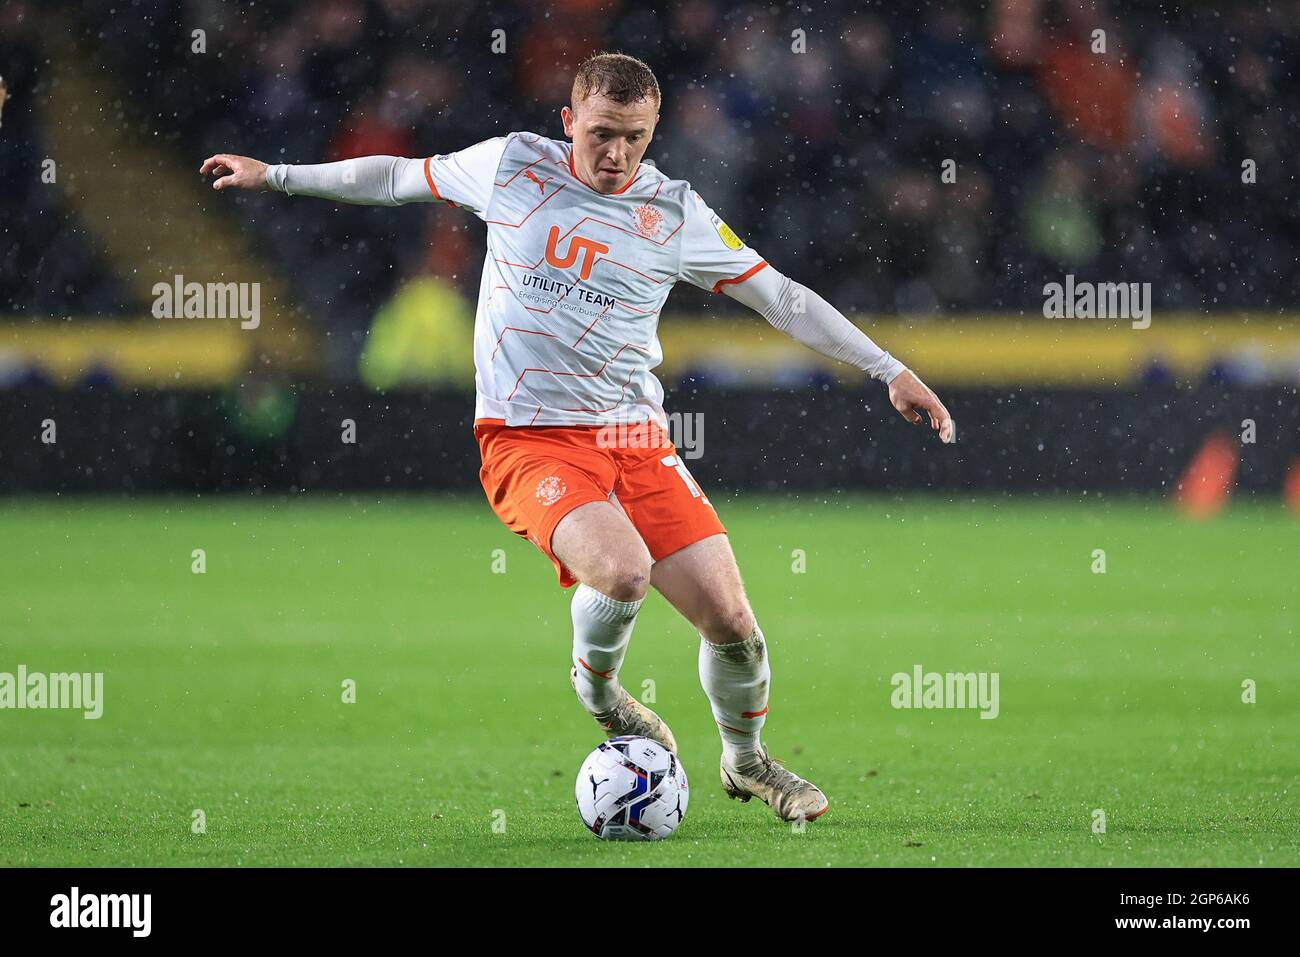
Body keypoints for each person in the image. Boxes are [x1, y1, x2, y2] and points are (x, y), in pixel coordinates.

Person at [201, 51, 955, 824]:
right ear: (568, 122)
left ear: (653, 131)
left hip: (636, 435)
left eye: (634, 137)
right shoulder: (511, 168)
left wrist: (887, 367)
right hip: (528, 437)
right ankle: (599, 691)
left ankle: (747, 760)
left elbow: (783, 299)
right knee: (623, 573)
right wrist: (278, 174)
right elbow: (398, 177)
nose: (617, 153)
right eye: (601, 133)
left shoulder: (675, 212)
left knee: (734, 626)